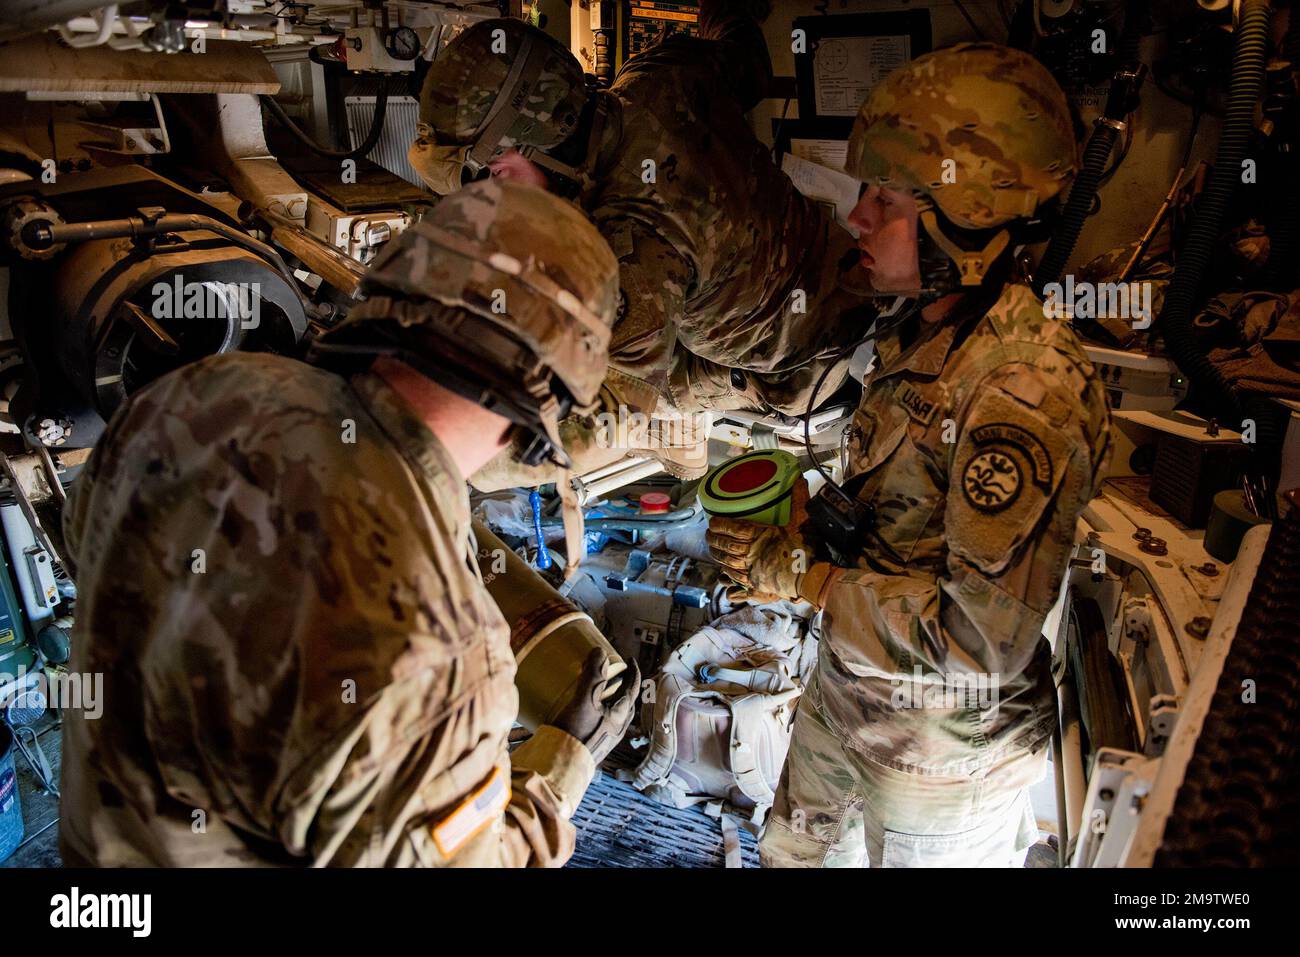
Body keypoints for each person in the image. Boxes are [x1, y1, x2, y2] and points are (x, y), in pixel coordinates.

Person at [58, 178, 637, 867]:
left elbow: (86, 541)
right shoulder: (438, 659)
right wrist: (555, 776)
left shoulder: (199, 393)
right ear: (545, 399)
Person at [707, 43, 1114, 867]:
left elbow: (977, 640)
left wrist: (805, 579)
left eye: (885, 200)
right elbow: (898, 518)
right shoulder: (922, 329)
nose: (857, 219)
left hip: (940, 765)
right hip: (847, 706)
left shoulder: (1019, 391)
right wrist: (803, 530)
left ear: (962, 217)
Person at [409, 3, 872, 487]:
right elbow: (748, 55)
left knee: (606, 374)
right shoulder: (659, 76)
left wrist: (455, 462)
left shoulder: (630, 246)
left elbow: (605, 424)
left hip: (806, 367)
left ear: (538, 139)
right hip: (848, 272)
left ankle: (676, 439)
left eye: (493, 172)